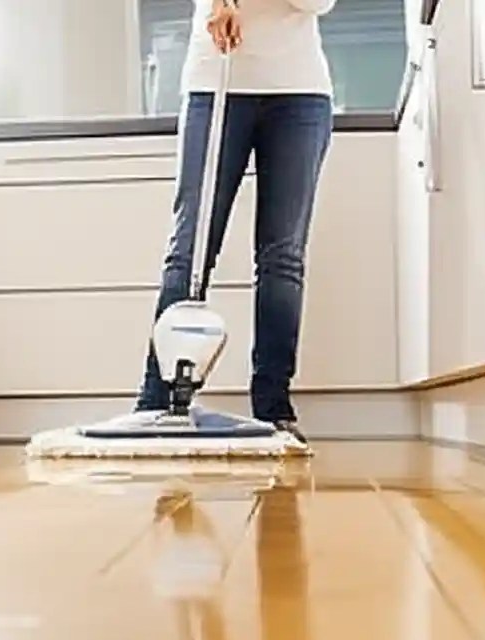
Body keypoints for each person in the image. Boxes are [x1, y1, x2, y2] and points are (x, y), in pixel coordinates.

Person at [133, 0, 338, 453]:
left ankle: (273, 407)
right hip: (214, 82)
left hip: (300, 94)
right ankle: (157, 401)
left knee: (282, 258)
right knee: (190, 251)